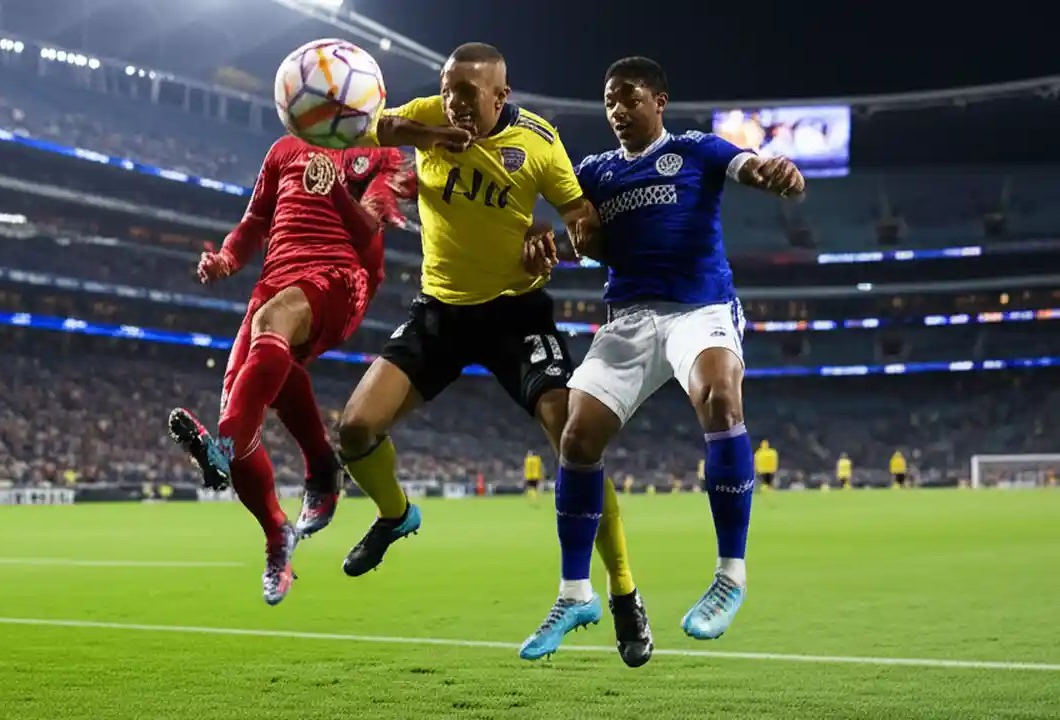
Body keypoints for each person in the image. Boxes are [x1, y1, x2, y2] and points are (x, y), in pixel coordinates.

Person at [338, 42, 651, 668]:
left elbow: (580, 218)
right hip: (441, 313)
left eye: (468, 94)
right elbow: (367, 127)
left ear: (500, 96)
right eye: (448, 88)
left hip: (515, 312)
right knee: (354, 430)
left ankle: (623, 594)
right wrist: (428, 130)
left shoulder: (538, 142)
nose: (454, 101)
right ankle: (396, 515)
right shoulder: (433, 112)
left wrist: (559, 243)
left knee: (575, 443)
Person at [528, 56, 805, 653]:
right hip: (628, 318)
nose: (618, 111)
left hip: (699, 308)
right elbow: (561, 228)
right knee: (576, 439)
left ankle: (730, 577)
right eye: (609, 101)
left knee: (720, 398)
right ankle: (576, 591)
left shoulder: (697, 149)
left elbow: (747, 165)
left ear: (660, 101)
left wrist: (773, 171)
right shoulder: (595, 171)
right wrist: (543, 241)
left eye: (630, 98)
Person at [167, 134, 413, 606]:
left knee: (267, 341)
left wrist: (335, 186)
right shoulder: (284, 149)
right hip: (275, 280)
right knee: (248, 402)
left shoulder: (380, 151)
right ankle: (280, 528)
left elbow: (369, 231)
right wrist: (225, 259)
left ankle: (246, 453)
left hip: (342, 275)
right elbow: (255, 221)